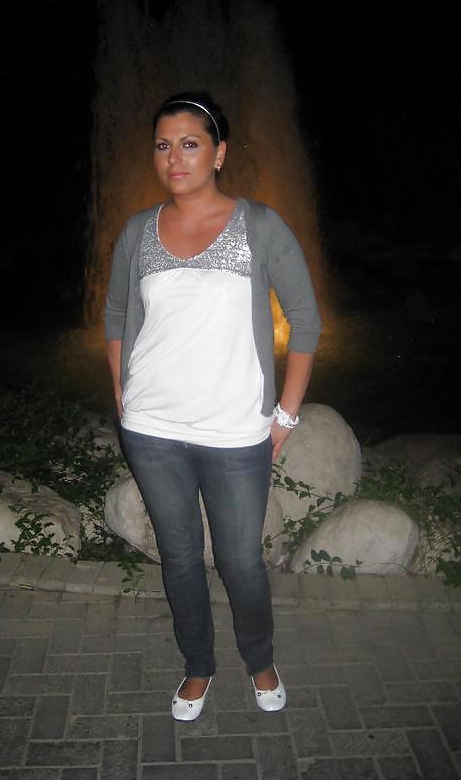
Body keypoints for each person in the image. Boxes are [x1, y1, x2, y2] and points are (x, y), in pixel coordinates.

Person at [104, 91, 321, 721]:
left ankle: (260, 661)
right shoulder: (137, 231)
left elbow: (306, 320)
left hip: (234, 432)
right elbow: (116, 313)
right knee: (179, 559)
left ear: (219, 153)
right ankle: (198, 665)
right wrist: (122, 387)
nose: (174, 157)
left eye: (190, 144)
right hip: (152, 430)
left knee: (240, 561)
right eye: (163, 145)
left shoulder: (260, 225)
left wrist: (286, 414)